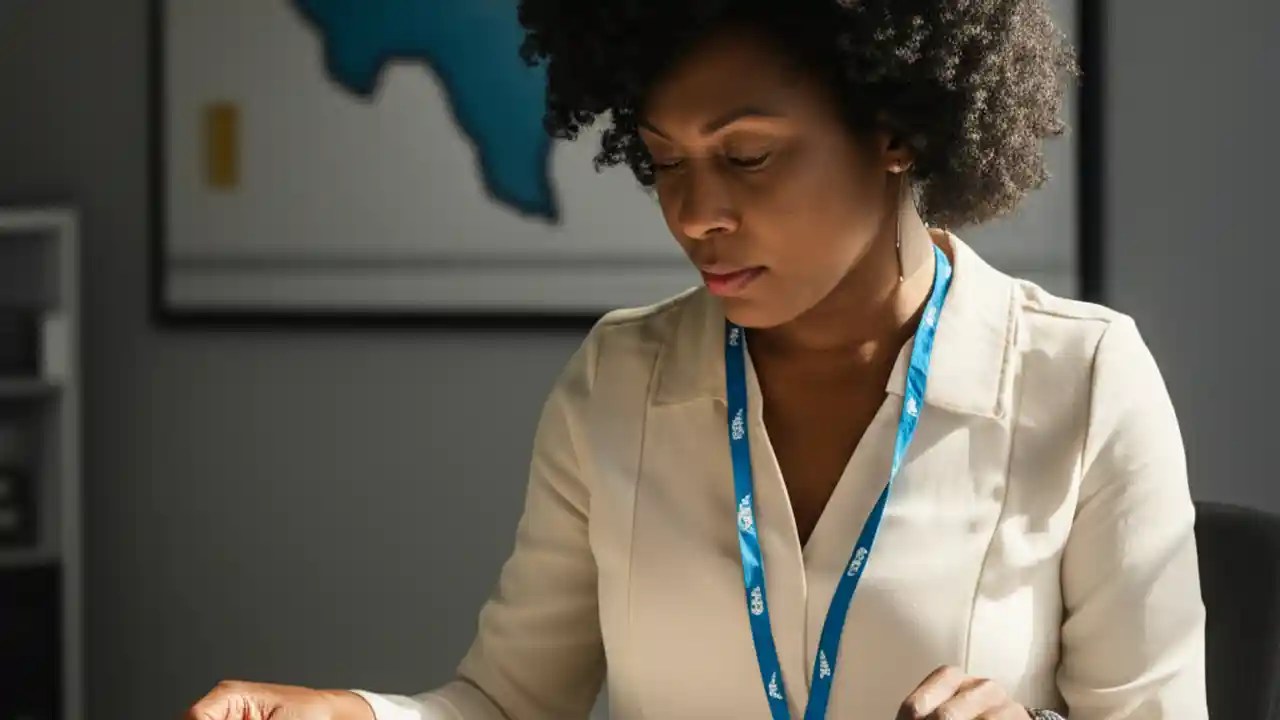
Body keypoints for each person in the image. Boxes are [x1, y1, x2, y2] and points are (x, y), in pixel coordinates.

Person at [186, 0, 1208, 718]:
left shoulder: (1078, 381)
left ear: (894, 129)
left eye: (747, 156)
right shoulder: (617, 381)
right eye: (664, 161)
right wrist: (351, 717)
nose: (693, 213)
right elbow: (504, 703)